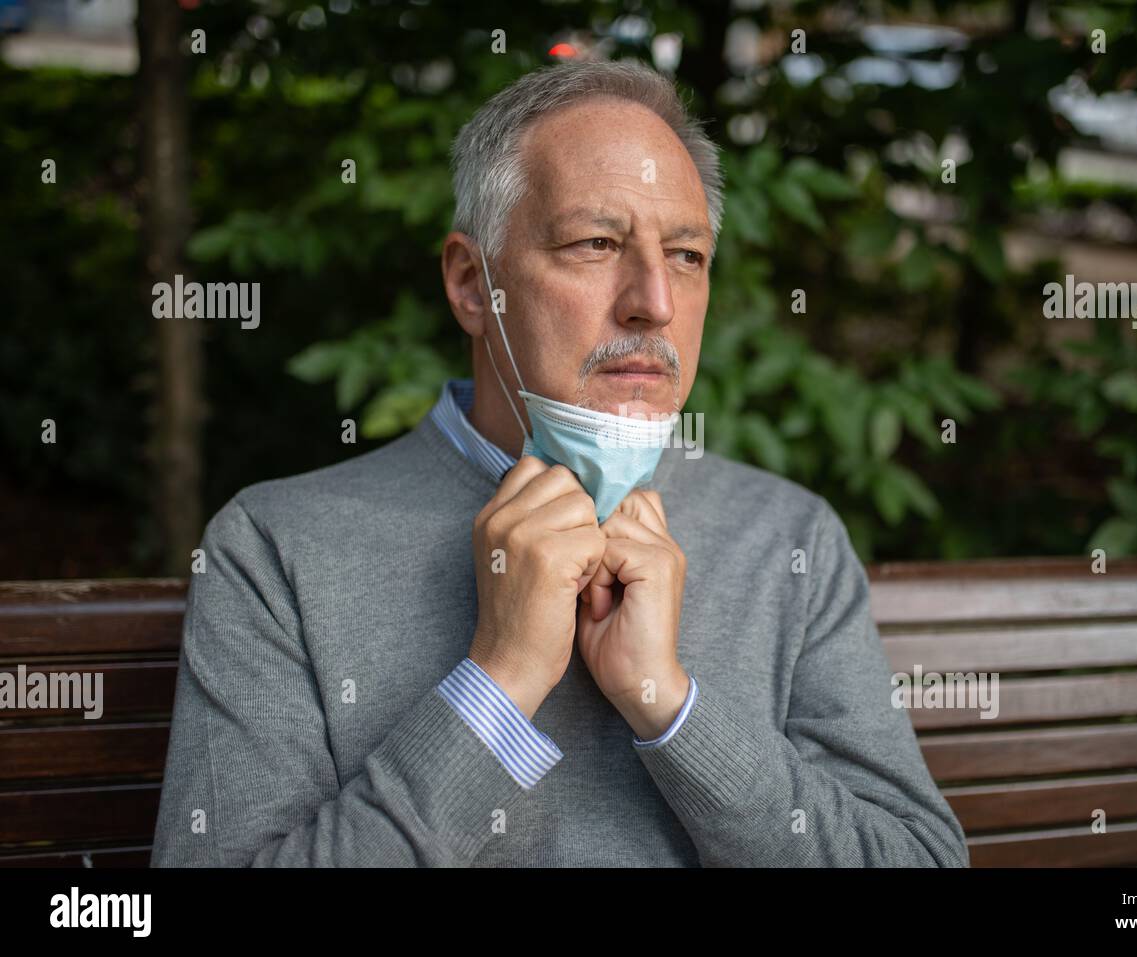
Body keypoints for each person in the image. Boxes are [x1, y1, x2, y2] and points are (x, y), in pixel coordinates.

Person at [151, 58, 969, 867]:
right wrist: (496, 687)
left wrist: (672, 706)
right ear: (474, 285)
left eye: (686, 254)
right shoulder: (276, 548)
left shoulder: (791, 536)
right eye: (596, 242)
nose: (654, 299)